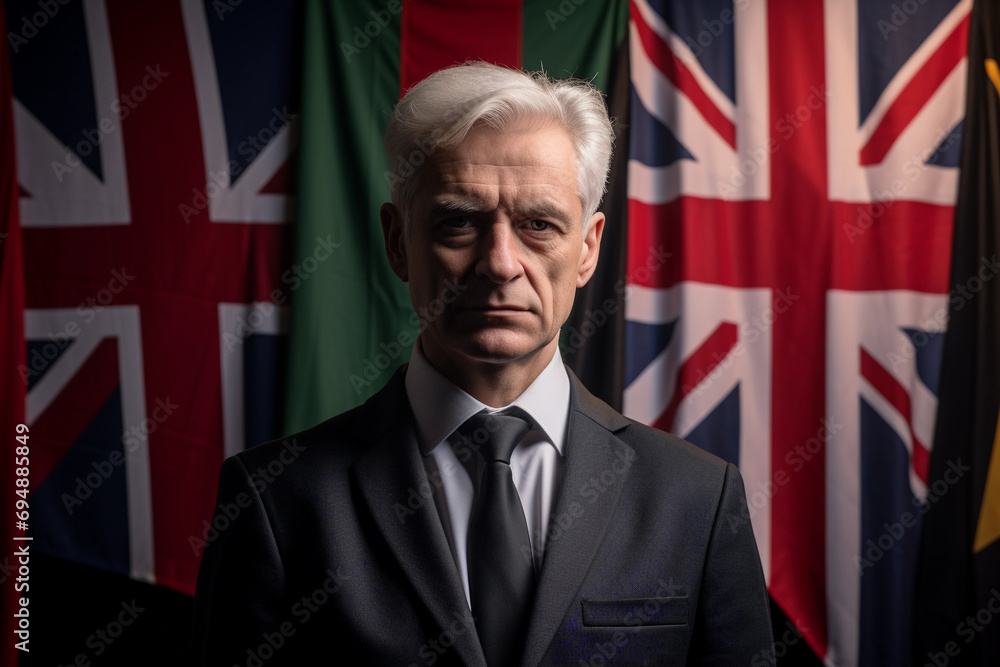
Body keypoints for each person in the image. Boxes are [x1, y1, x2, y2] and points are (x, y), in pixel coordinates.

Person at [193, 61, 773, 666]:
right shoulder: (274, 502)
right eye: (458, 223)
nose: (500, 263)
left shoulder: (697, 500)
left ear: (588, 248)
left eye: (538, 224)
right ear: (398, 243)